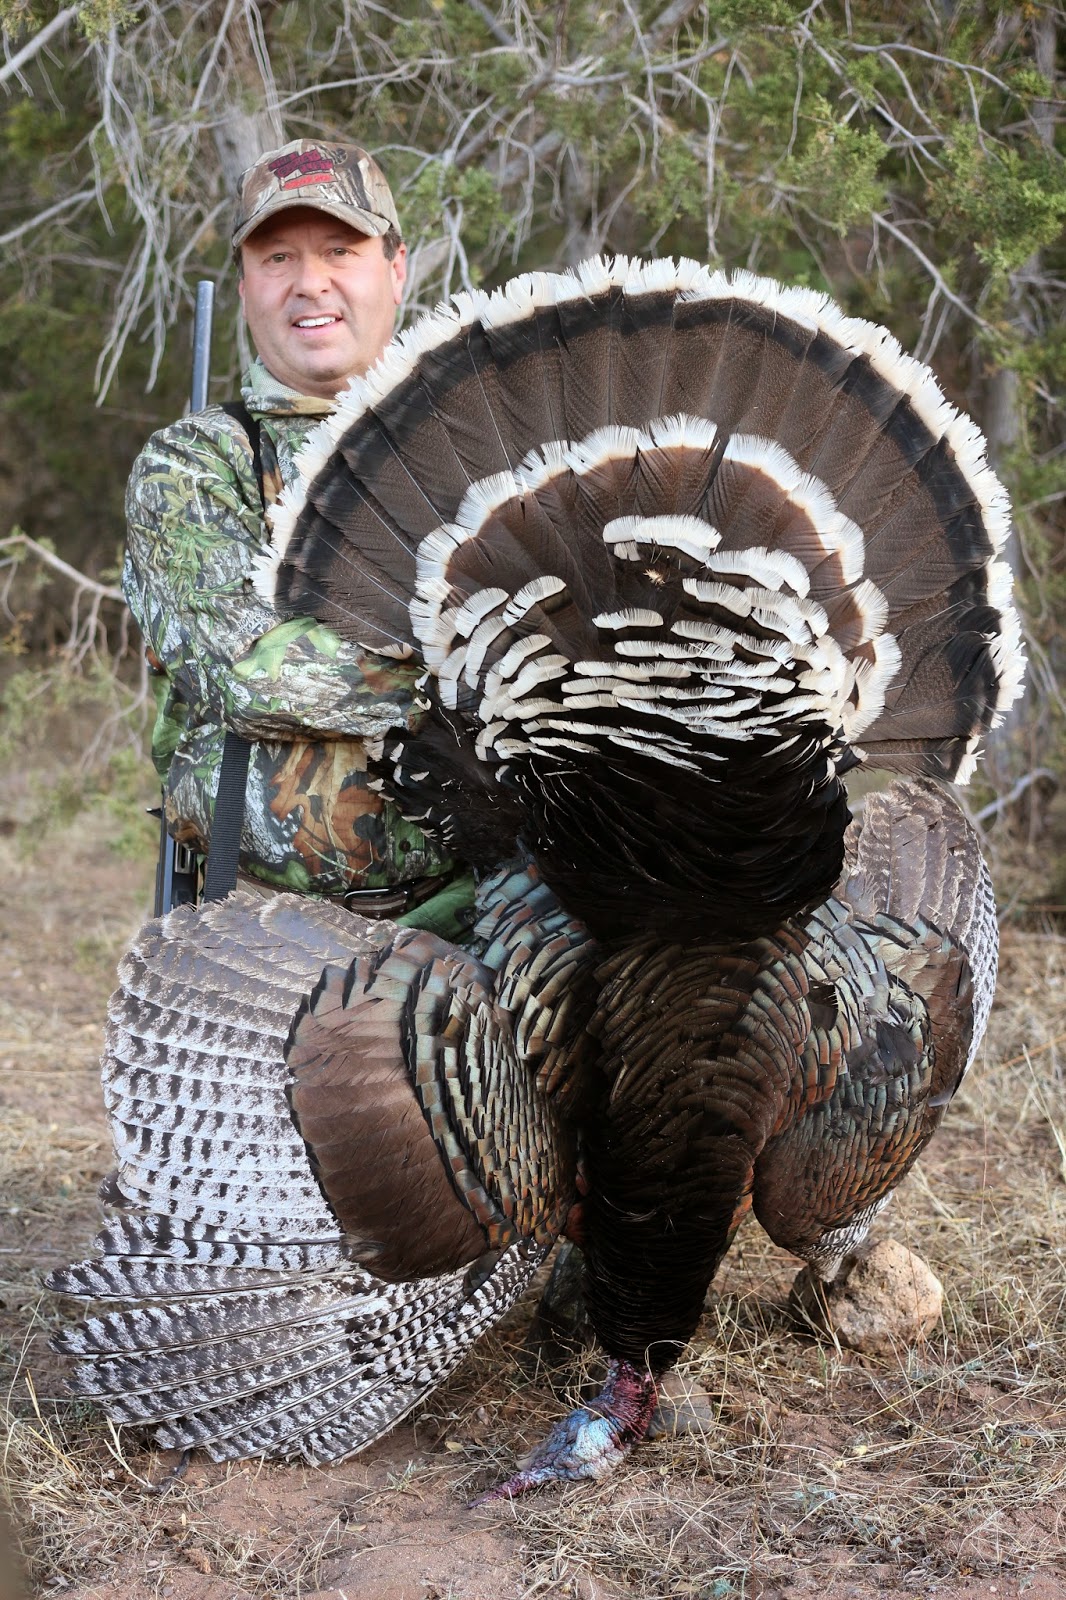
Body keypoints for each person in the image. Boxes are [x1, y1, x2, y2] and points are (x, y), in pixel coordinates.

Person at [124, 139, 472, 937]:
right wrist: (483, 668)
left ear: (396, 267)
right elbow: (251, 676)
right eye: (278, 256)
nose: (310, 282)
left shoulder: (480, 456)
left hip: (491, 923)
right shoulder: (196, 465)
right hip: (262, 933)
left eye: (340, 251)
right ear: (245, 284)